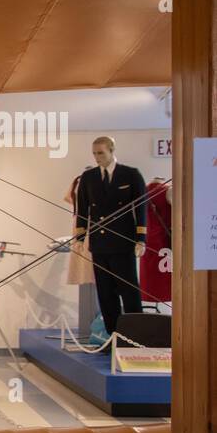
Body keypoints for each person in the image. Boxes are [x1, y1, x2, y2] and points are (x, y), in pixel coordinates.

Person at [74, 136, 147, 334]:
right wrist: (80, 238)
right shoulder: (88, 177)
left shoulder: (130, 175)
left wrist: (141, 239)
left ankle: (135, 335)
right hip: (99, 244)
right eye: (95, 154)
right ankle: (112, 335)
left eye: (101, 153)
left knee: (129, 290)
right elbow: (82, 209)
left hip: (123, 243)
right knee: (105, 293)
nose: (97, 158)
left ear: (112, 151)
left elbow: (141, 208)